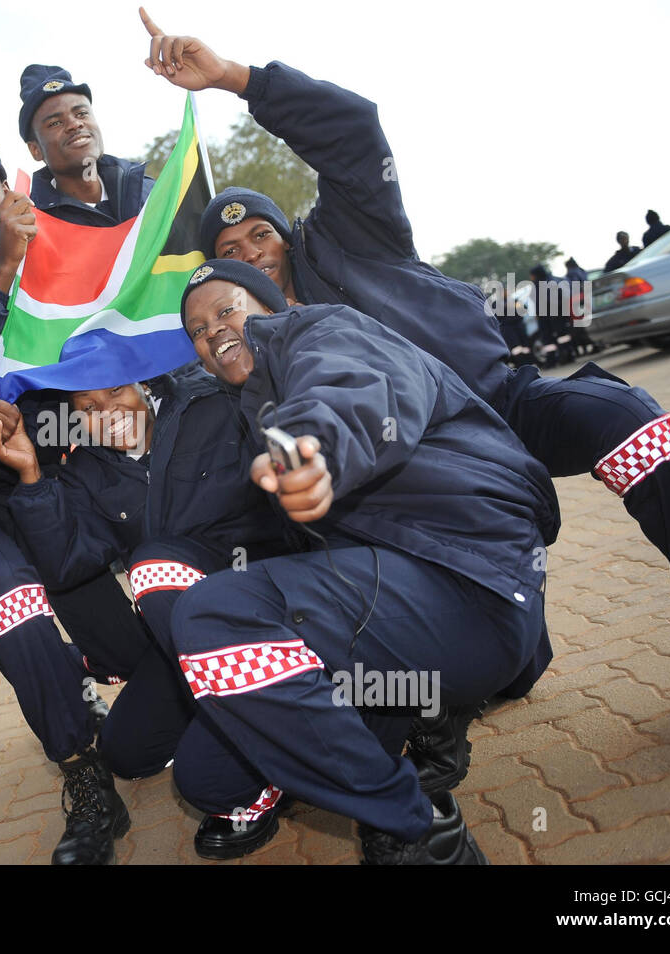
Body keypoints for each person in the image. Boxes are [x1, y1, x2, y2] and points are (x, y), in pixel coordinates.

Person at [140, 11, 670, 715]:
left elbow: (354, 134)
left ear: (288, 233)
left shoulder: (347, 240)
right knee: (399, 589)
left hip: (498, 404)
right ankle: (449, 701)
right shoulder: (247, 353)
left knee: (633, 422)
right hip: (412, 473)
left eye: (261, 234)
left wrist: (236, 78)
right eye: (231, 255)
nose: (252, 255)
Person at [170, 258, 558, 864]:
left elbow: (352, 390)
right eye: (196, 329)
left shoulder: (322, 331)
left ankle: (416, 825)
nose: (212, 331)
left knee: (213, 619)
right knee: (207, 781)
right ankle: (410, 726)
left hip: (468, 587)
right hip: (393, 620)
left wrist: (315, 449)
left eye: (226, 310)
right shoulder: (255, 410)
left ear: (272, 308)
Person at [0, 129, 135, 864]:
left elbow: (102, 334)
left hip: (56, 475)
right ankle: (85, 774)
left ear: (9, 190)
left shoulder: (56, 249)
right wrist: (4, 263)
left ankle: (124, 681)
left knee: (115, 635)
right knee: (19, 622)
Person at [0, 367, 294, 860]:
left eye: (116, 390)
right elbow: (63, 563)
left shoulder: (213, 409)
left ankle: (276, 738)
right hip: (186, 636)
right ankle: (218, 708)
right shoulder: (87, 469)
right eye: (88, 406)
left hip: (273, 606)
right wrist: (30, 473)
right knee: (127, 752)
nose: (108, 411)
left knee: (155, 569)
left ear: (143, 384)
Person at [18, 64, 153, 226]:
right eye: (55, 123)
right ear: (35, 149)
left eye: (81, 114)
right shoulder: (32, 226)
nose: (75, 124)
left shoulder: (149, 191)